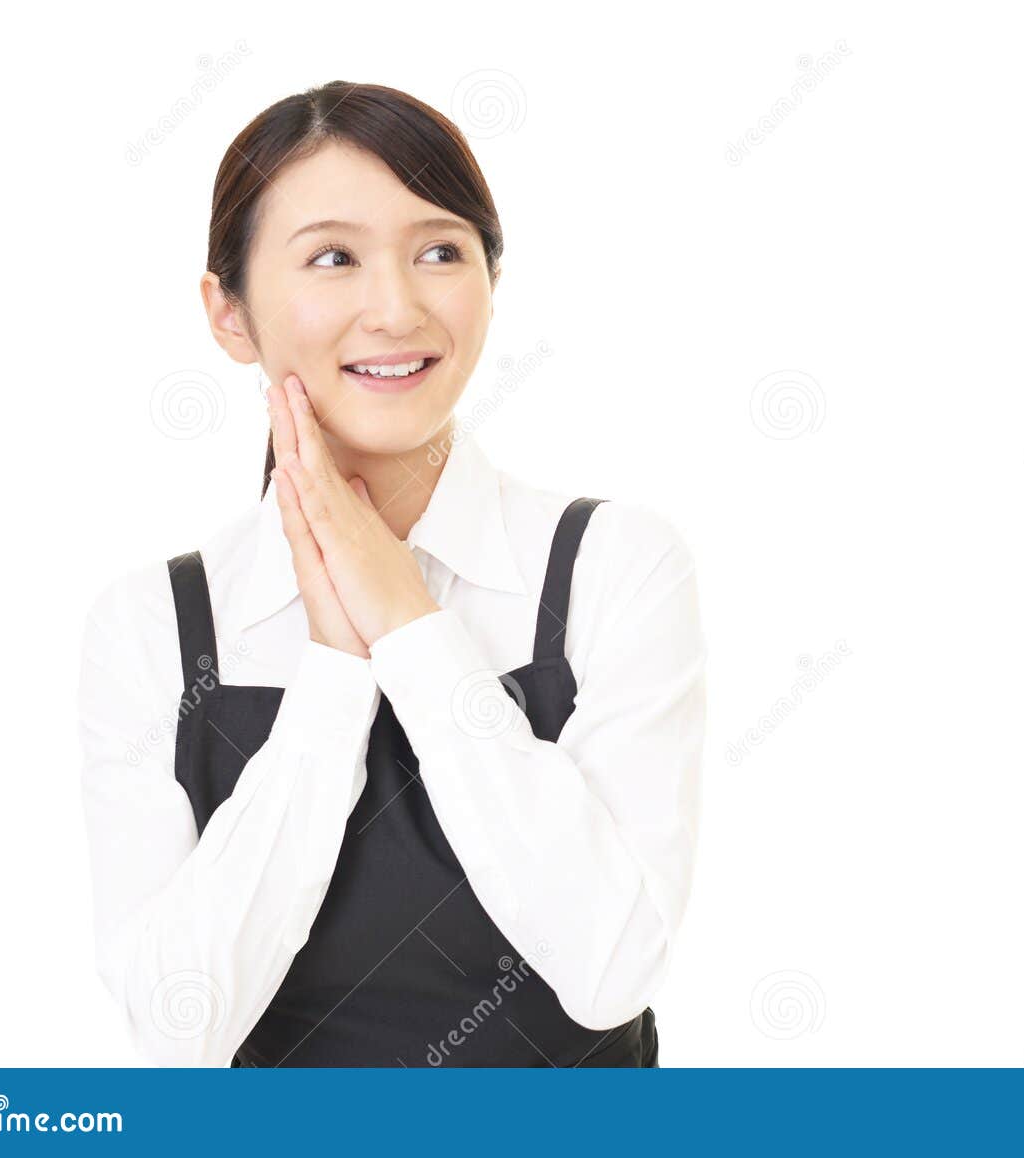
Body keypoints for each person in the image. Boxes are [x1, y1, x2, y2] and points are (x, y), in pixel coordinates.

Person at [74, 82, 707, 1067]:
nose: (397, 308)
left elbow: (609, 970)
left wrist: (408, 622)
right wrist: (334, 668)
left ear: (490, 283)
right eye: (333, 257)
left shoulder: (612, 567)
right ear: (228, 313)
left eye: (440, 252)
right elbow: (176, 1032)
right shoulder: (155, 624)